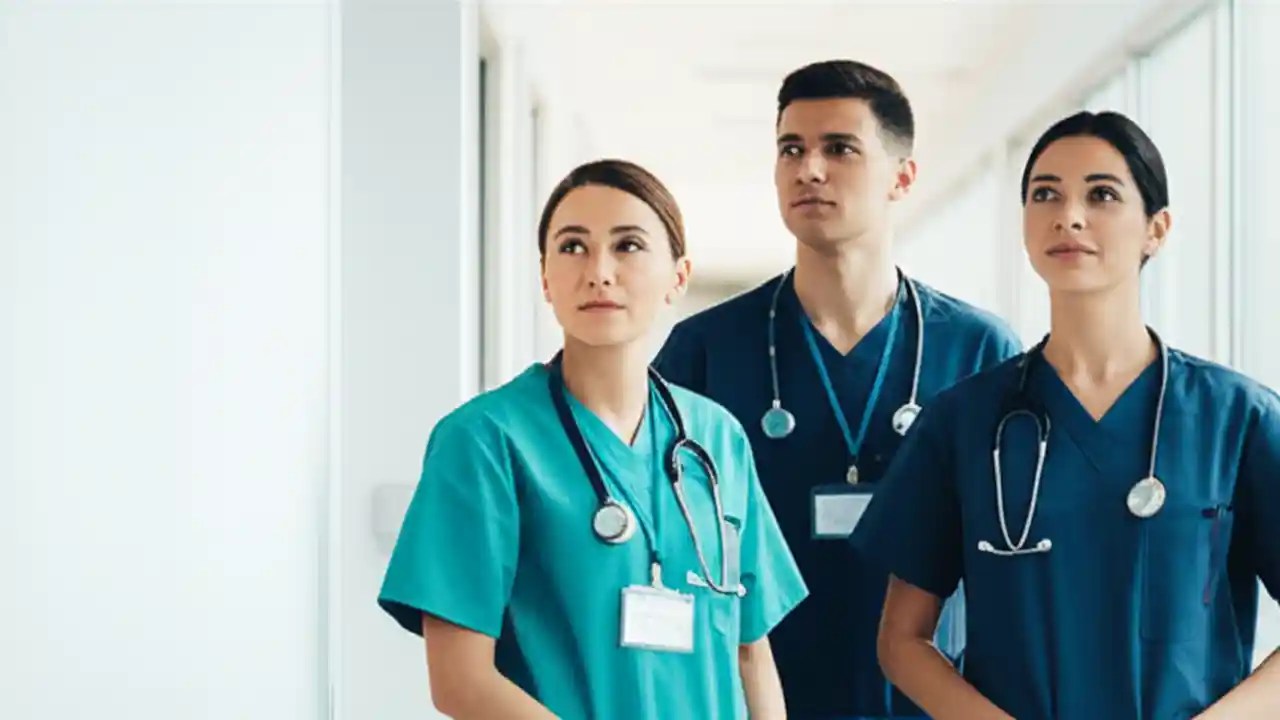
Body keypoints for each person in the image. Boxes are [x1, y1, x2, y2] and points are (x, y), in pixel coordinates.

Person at [854, 110, 1280, 719]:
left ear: (1155, 229)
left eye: (1101, 194)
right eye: (1045, 193)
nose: (1068, 215)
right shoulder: (963, 422)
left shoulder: (1236, 418)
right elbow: (902, 639)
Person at [654, 59, 1022, 719]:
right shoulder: (705, 350)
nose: (809, 169)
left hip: (928, 698)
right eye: (791, 149)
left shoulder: (978, 350)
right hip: (753, 696)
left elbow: (1013, 559)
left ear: (902, 177)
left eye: (840, 149)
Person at [377, 159, 808, 720]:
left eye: (628, 245)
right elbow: (460, 681)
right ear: (545, 278)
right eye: (573, 247)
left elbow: (750, 650)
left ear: (678, 276)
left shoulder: (716, 438)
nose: (599, 271)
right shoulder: (484, 441)